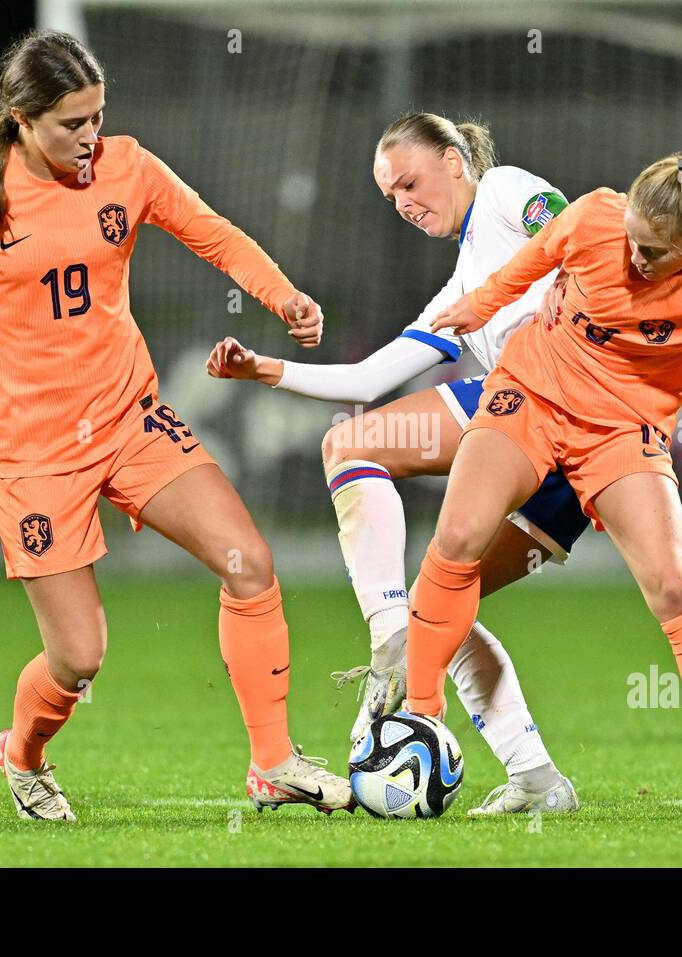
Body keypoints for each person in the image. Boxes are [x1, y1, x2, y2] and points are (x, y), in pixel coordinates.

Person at [0, 29, 352, 820]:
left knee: (250, 563)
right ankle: (23, 755)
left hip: (129, 418)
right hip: (31, 452)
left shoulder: (127, 168)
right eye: (73, 123)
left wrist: (283, 297)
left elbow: (213, 232)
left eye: (98, 116)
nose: (90, 136)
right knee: (78, 656)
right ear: (24, 120)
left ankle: (272, 762)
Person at [408, 151, 682, 819]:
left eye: (651, 250)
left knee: (676, 587)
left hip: (621, 435)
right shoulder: (595, 215)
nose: (631, 252)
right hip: (529, 396)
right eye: (629, 233)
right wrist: (476, 306)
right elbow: (525, 267)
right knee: (456, 536)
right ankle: (421, 726)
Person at [208, 112, 583, 814]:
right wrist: (267, 370)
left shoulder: (503, 190)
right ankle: (536, 779)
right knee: (437, 599)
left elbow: (572, 229)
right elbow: (366, 379)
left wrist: (577, 287)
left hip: (579, 420)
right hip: (527, 422)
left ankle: (396, 634)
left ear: (453, 160)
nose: (405, 203)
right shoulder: (458, 287)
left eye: (410, 181)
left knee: (672, 589)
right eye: (391, 197)